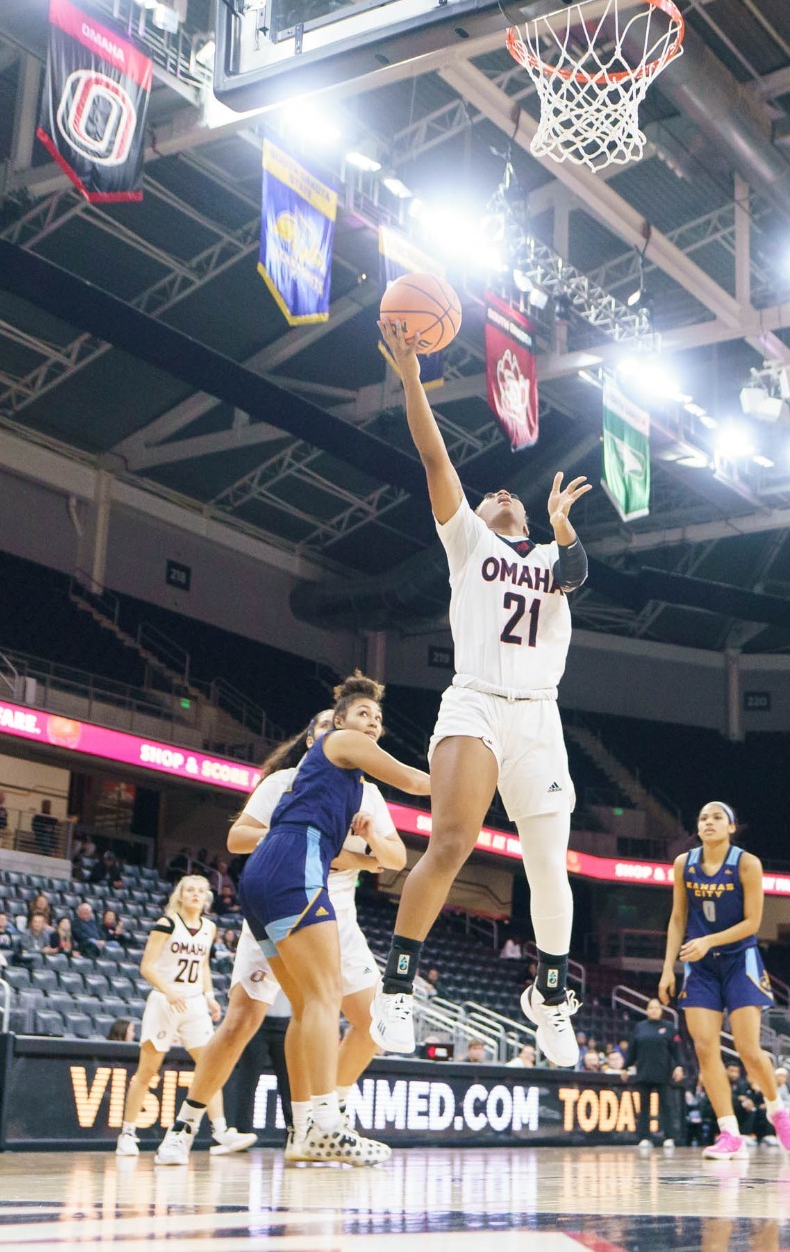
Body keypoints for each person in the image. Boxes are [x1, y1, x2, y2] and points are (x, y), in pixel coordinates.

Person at [369, 321, 593, 1068]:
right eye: (492, 490)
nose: (498, 492)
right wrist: (410, 377)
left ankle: (550, 998)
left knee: (547, 866)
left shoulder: (550, 556)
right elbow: (433, 453)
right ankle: (397, 988)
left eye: (510, 496)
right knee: (454, 842)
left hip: (540, 716)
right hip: (475, 701)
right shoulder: (467, 540)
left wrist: (563, 530)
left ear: (525, 520)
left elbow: (578, 575)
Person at [159, 675, 427, 1168]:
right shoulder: (333, 750)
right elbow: (413, 780)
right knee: (311, 1003)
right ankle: (323, 1123)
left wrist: (364, 857)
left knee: (309, 1005)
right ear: (329, 729)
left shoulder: (353, 787)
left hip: (274, 881)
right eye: (362, 714)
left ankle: (307, 1125)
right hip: (296, 871)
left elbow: (389, 856)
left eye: (378, 718)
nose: (373, 723)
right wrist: (476, 782)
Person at [214, 707, 408, 1162]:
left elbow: (395, 858)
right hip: (292, 889)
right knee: (255, 1016)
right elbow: (242, 840)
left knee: (365, 1021)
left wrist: (370, 845)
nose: (339, 735)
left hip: (337, 914)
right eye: (327, 728)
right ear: (314, 740)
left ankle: (321, 1117)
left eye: (378, 718)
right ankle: (311, 1123)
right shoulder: (287, 784)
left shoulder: (368, 793)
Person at [657, 802, 790, 1160]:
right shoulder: (683, 864)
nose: (708, 822)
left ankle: (776, 1107)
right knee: (705, 1048)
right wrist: (666, 967)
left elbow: (753, 923)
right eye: (703, 817)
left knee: (749, 1050)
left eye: (717, 817)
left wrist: (708, 941)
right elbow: (677, 918)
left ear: (732, 827)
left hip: (739, 960)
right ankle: (729, 1132)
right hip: (700, 966)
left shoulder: (747, 864)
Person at [113, 875, 255, 1160]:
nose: (195, 894)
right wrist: (168, 991)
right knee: (147, 1071)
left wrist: (210, 995)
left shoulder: (210, 927)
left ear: (206, 898)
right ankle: (127, 1133)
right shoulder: (166, 924)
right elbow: (147, 966)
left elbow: (202, 964)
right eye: (190, 890)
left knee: (209, 1067)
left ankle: (221, 1131)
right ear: (180, 895)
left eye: (201, 891)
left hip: (193, 1004)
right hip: (164, 1002)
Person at [630, 997, 681, 1150]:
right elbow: (632, 1049)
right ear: (647, 1010)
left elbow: (676, 1050)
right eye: (650, 1007)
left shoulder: (669, 1027)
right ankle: (644, 1137)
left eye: (656, 1008)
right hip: (644, 1072)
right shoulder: (640, 1027)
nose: (653, 1010)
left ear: (661, 1010)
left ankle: (669, 1137)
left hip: (663, 1072)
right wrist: (626, 1066)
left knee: (666, 1105)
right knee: (643, 1106)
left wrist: (678, 1066)